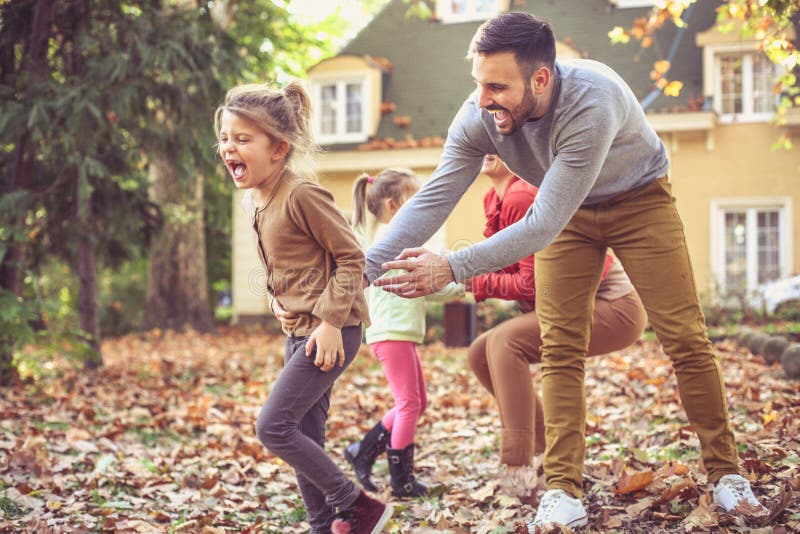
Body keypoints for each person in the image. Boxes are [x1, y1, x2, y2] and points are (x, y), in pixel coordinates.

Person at [362, 12, 767, 530]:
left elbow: (540, 225)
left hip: (638, 200)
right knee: (559, 346)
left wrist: (452, 268)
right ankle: (563, 490)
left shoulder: (592, 100)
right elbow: (433, 199)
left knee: (685, 337)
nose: (483, 99)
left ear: (540, 79)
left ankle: (727, 474)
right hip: (565, 214)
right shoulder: (478, 114)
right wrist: (360, 272)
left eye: (497, 87)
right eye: (479, 83)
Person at [216, 82, 392, 534]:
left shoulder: (301, 194)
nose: (229, 147)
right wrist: (277, 299)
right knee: (304, 435)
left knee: (273, 426)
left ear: (279, 149)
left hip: (333, 330)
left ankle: (357, 505)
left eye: (242, 139)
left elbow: (352, 258)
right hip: (298, 330)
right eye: (225, 138)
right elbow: (287, 262)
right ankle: (324, 524)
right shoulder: (254, 199)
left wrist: (330, 322)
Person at [465, 154, 647, 504]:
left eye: (495, 140)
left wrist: (471, 281)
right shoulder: (495, 198)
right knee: (480, 354)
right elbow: (508, 265)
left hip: (613, 304)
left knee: (504, 341)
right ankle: (548, 454)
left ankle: (518, 464)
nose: (487, 147)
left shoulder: (520, 195)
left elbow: (530, 283)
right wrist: (456, 271)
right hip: (568, 304)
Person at [345, 168, 464, 498]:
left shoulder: (396, 241)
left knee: (416, 402)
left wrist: (457, 282)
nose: (424, 207)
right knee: (409, 403)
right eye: (417, 200)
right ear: (394, 206)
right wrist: (462, 283)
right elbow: (423, 284)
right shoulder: (391, 244)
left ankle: (362, 450)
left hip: (399, 333)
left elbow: (422, 285)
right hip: (391, 333)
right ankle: (401, 480)